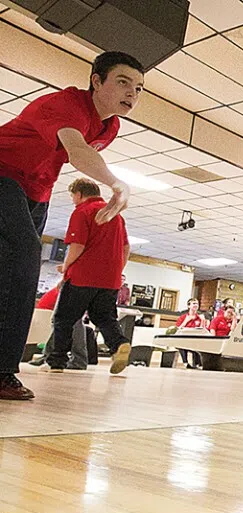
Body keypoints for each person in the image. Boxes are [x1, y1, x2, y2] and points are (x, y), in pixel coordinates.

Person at [0, 51, 144, 400]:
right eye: (123, 82)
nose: (132, 94)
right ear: (96, 81)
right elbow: (77, 151)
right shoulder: (67, 104)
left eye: (139, 89)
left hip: (37, 191)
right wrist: (116, 182)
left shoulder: (110, 126)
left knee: (13, 270)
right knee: (24, 257)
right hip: (3, 174)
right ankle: (3, 371)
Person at [45, 179, 132, 374]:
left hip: (82, 276)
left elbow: (78, 246)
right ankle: (119, 345)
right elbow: (126, 248)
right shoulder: (116, 215)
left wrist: (65, 267)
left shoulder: (82, 211)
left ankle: (57, 361)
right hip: (110, 280)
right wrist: (116, 270)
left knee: (64, 318)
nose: (73, 201)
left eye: (72, 196)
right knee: (104, 317)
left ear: (79, 194)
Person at [29, 283, 89, 370]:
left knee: (70, 323)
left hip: (43, 316)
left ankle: (77, 360)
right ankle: (51, 357)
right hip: (48, 314)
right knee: (71, 323)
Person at [176, 298, 205, 369]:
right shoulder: (183, 317)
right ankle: (185, 363)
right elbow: (178, 330)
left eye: (197, 304)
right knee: (181, 345)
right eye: (194, 303)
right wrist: (186, 321)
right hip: (184, 340)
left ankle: (197, 364)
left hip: (195, 340)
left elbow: (202, 331)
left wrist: (202, 321)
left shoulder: (199, 318)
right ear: (189, 306)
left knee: (198, 346)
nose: (196, 305)